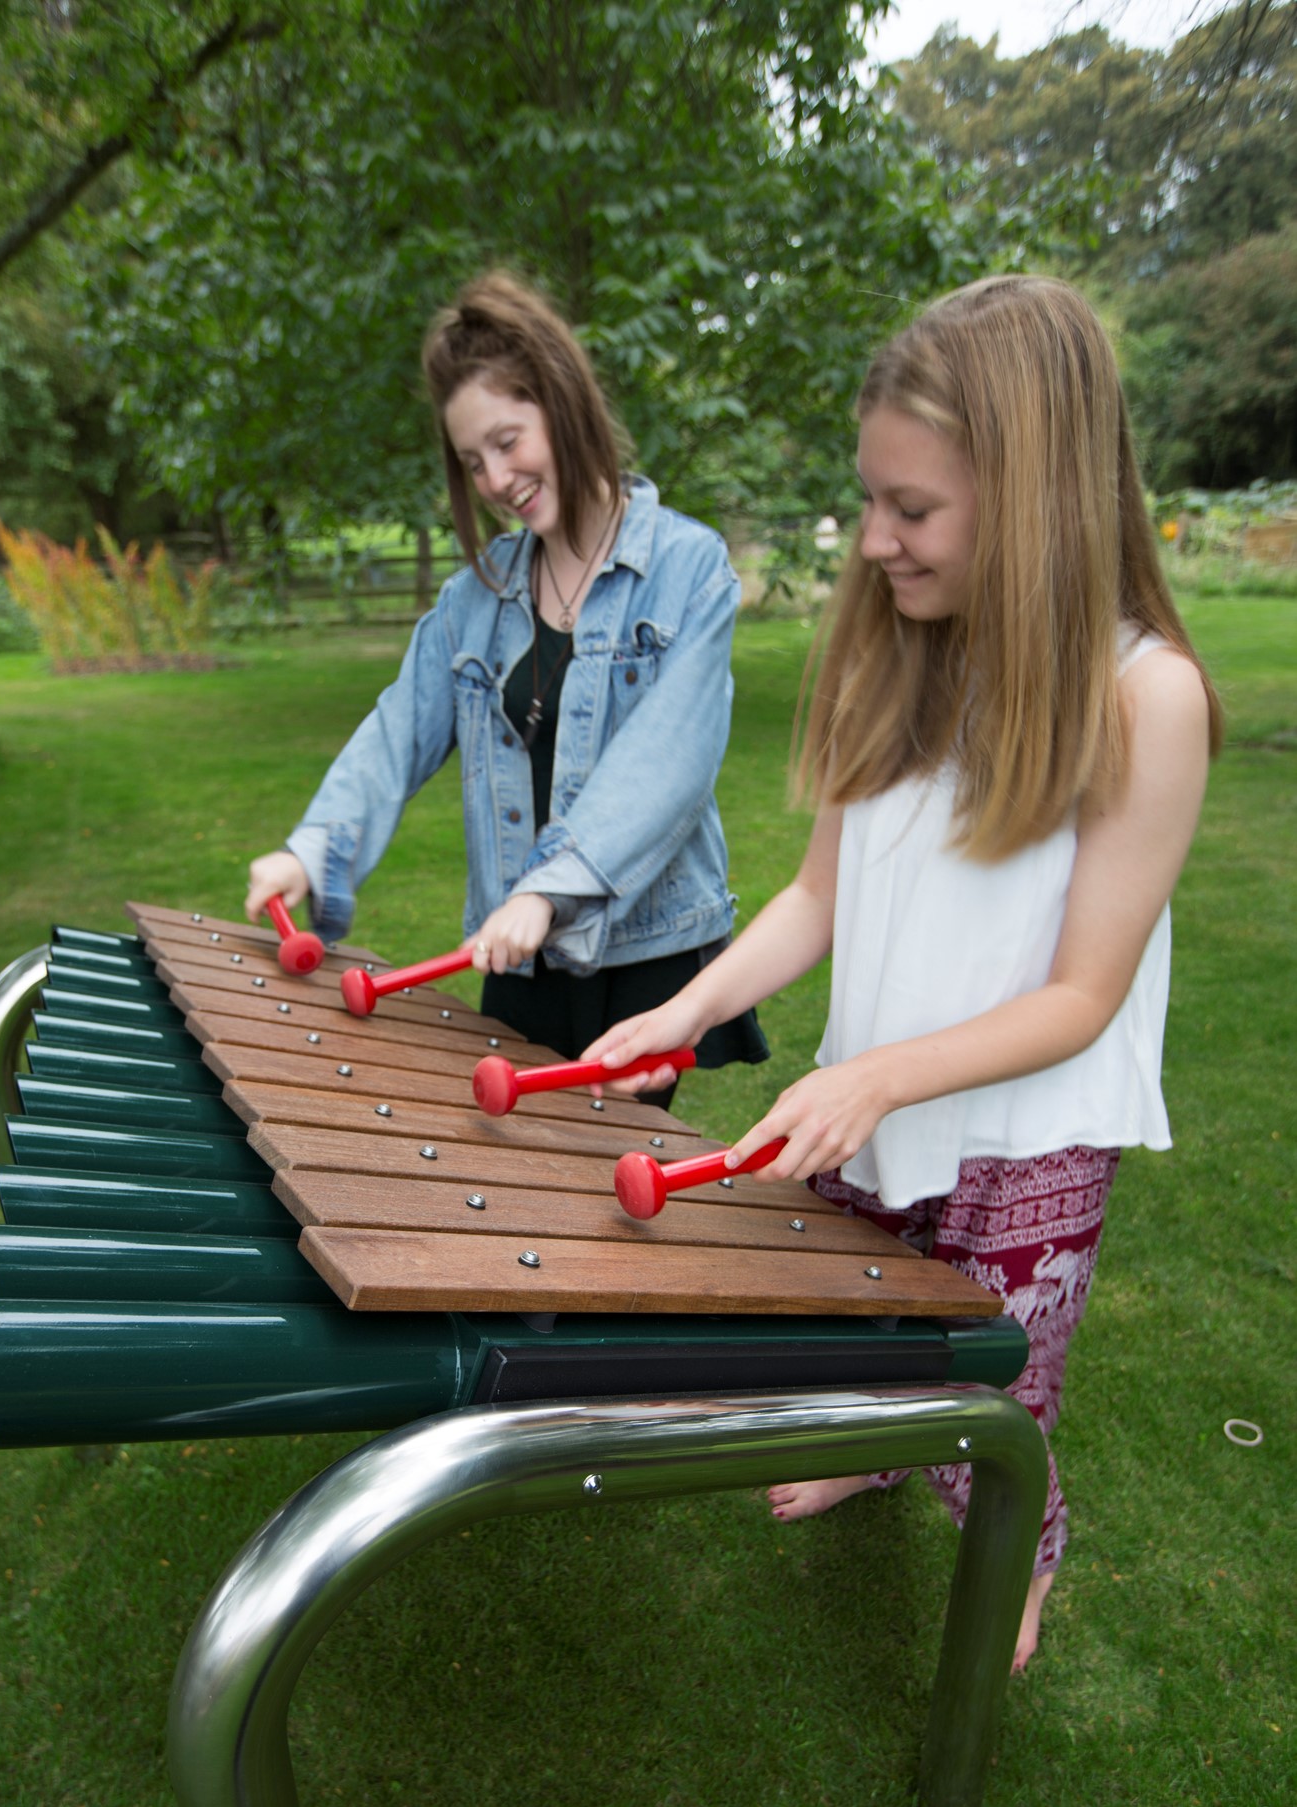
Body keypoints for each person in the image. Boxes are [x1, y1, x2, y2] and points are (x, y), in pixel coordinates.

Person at [580, 274, 1218, 1670]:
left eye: (911, 510)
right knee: (851, 1331)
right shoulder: (900, 660)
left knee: (993, 1404)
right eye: (871, 500)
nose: (873, 541)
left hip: (1021, 1136)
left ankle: (1018, 1551)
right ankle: (870, 1454)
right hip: (874, 1099)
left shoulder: (1143, 695)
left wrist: (875, 1074)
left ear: (1036, 494)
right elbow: (819, 892)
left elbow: (1082, 995)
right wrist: (688, 1009)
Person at [244, 270, 765, 1087]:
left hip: (646, 954)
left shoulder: (687, 568)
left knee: (600, 1194)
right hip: (519, 955)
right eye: (471, 460)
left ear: (562, 404)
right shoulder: (474, 600)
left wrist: (547, 893)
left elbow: (669, 765)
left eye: (508, 440)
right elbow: (396, 732)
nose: (493, 479)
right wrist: (311, 850)